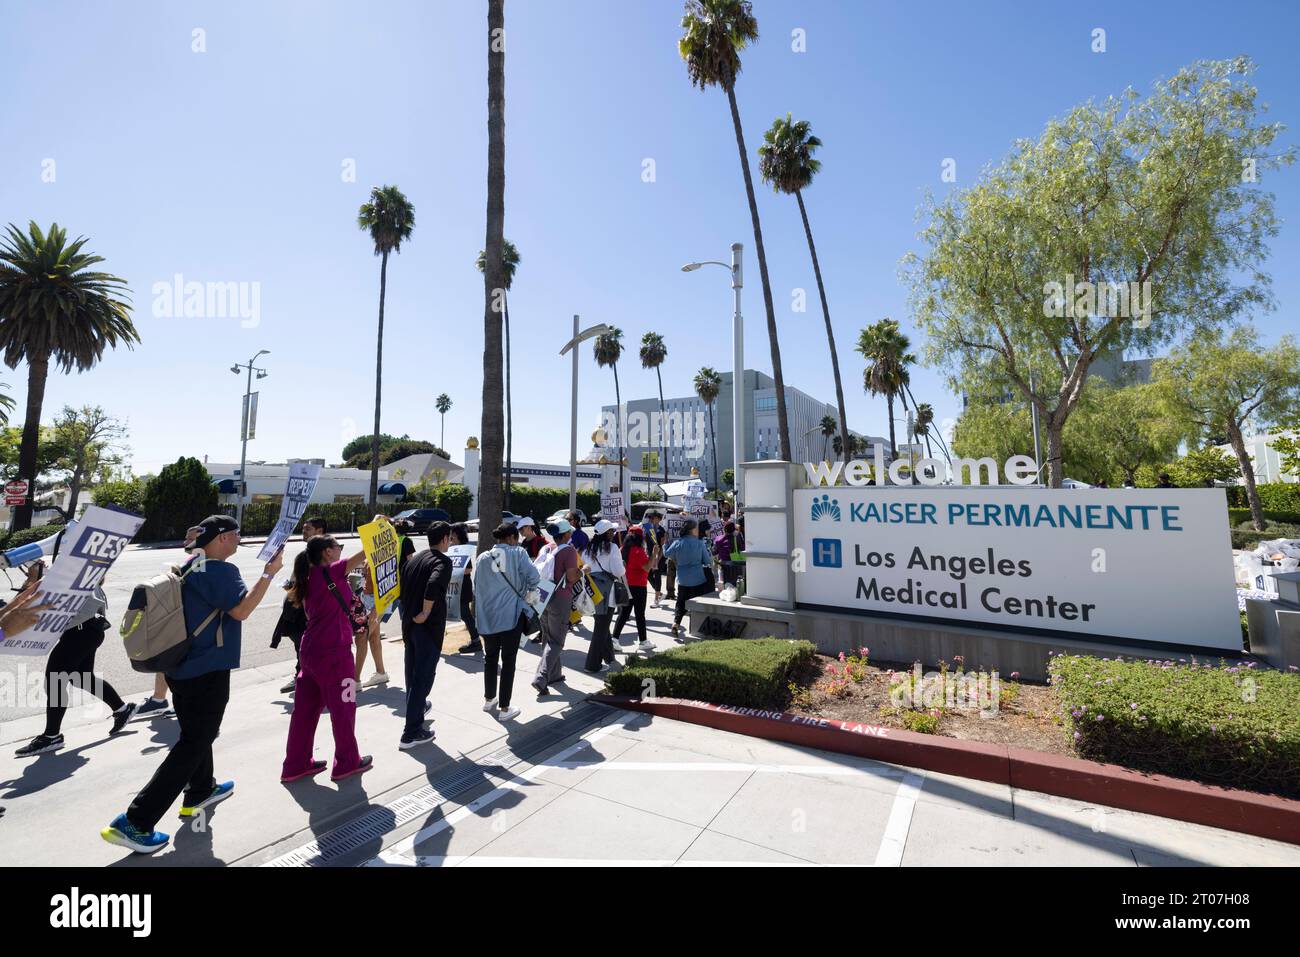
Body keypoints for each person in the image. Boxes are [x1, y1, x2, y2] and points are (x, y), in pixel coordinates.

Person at [102, 516, 284, 855]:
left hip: (180, 667)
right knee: (195, 741)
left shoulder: (190, 564)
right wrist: (269, 574)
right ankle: (135, 821)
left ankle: (201, 791)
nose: (239, 539)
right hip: (207, 669)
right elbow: (241, 610)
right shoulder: (219, 570)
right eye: (236, 534)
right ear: (223, 538)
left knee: (196, 733)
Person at [8, 525, 137, 758]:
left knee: (56, 680)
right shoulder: (77, 569)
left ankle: (52, 736)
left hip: (81, 632)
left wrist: (35, 578)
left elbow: (29, 604)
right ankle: (123, 709)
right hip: (88, 630)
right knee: (81, 677)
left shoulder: (69, 572)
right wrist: (37, 576)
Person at [279, 535, 374, 783]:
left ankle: (295, 765)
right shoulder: (331, 571)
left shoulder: (306, 577)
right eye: (337, 547)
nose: (340, 550)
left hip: (310, 651)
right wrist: (379, 526)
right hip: (335, 652)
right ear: (327, 552)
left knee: (304, 712)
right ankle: (347, 762)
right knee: (344, 708)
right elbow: (365, 553)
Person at [472, 523, 539, 722]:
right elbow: (535, 577)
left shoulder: (483, 557)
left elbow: (476, 587)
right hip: (511, 615)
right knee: (509, 660)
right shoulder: (518, 553)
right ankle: (505, 707)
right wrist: (526, 591)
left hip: (487, 617)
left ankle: (489, 699)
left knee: (490, 658)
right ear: (511, 537)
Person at [397, 522, 452, 749]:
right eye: (449, 538)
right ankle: (411, 733)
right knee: (423, 677)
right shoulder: (442, 561)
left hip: (409, 624)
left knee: (412, 675)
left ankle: (417, 710)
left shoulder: (415, 559)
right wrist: (426, 611)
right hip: (427, 627)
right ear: (445, 538)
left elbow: (403, 587)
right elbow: (433, 583)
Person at [272, 516, 327, 695]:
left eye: (308, 528)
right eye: (304, 528)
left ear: (319, 531)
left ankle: (305, 679)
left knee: (306, 647)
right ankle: (302, 676)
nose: (303, 531)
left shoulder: (322, 555)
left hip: (306, 610)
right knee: (301, 646)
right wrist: (290, 586)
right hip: (296, 608)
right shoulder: (307, 553)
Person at [532, 518, 582, 697]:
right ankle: (541, 677)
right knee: (557, 641)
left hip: (542, 595)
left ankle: (554, 675)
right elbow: (571, 577)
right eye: (569, 532)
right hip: (559, 598)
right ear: (566, 534)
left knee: (548, 637)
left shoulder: (547, 548)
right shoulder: (569, 551)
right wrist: (584, 571)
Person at [583, 520, 625, 673]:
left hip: (592, 591)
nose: (614, 533)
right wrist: (623, 567)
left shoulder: (588, 549)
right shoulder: (612, 548)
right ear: (607, 533)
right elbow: (618, 571)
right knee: (601, 628)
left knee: (602, 625)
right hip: (607, 593)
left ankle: (609, 657)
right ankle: (592, 665)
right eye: (612, 531)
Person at [665, 517, 712, 639]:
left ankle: (676, 623)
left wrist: (665, 544)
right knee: (696, 604)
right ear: (692, 530)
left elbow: (667, 554)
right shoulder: (699, 543)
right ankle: (695, 629)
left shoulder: (677, 542)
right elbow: (707, 561)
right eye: (696, 528)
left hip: (682, 579)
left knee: (680, 603)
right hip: (698, 579)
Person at [612, 525, 653, 654]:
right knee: (640, 614)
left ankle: (614, 639)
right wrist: (655, 554)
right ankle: (643, 641)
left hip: (626, 585)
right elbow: (647, 567)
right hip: (639, 586)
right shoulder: (638, 551)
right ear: (640, 538)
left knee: (624, 613)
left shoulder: (622, 549)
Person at [451, 522, 483, 655]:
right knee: (464, 614)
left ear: (457, 534)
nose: (450, 536)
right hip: (454, 586)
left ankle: (476, 641)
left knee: (465, 614)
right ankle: (476, 640)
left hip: (463, 586)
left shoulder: (463, 549)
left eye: (452, 533)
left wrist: (454, 571)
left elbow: (469, 569)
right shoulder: (452, 548)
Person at [641, 511, 666, 606]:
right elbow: (645, 542)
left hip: (659, 556)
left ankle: (656, 599)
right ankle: (659, 593)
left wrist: (658, 559)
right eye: (650, 518)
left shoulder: (661, 530)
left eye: (653, 518)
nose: (651, 520)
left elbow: (662, 546)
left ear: (659, 519)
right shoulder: (647, 529)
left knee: (657, 574)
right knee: (648, 574)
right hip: (650, 555)